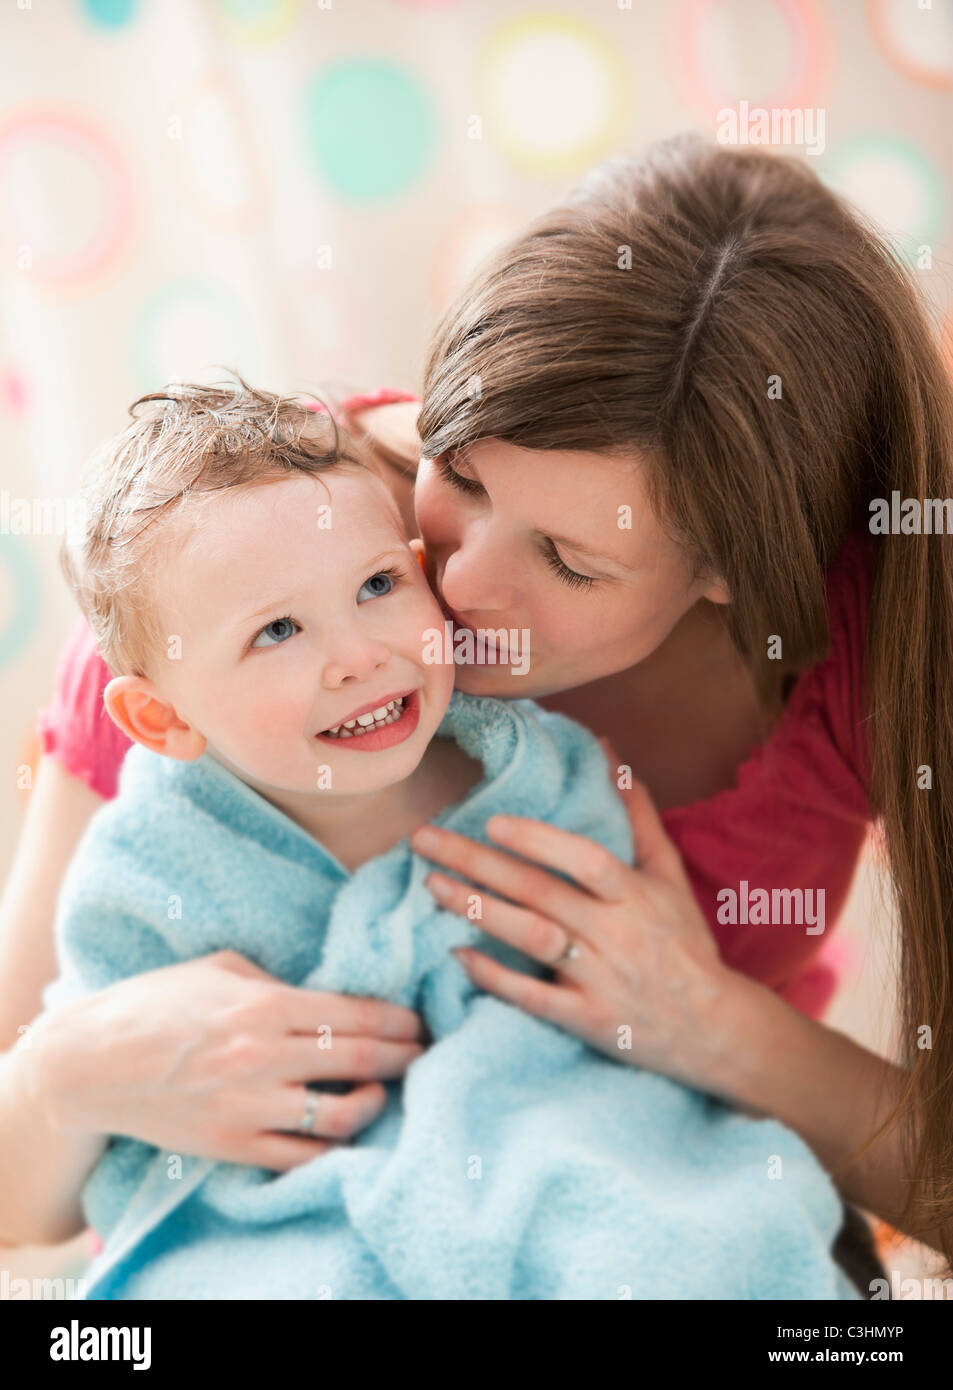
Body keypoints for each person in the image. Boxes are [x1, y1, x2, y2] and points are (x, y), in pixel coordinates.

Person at [1, 132, 949, 1271]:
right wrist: (76, 1073)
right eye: (459, 471)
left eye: (566, 557)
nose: (453, 583)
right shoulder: (226, 570)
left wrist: (709, 1021)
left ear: (728, 574)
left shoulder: (871, 636)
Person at [15, 373, 859, 1299]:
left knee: (697, 1239)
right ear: (160, 718)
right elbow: (72, 1156)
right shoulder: (153, 859)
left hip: (545, 1135)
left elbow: (603, 1031)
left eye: (378, 584)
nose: (359, 656)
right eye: (278, 631)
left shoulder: (536, 773)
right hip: (269, 1210)